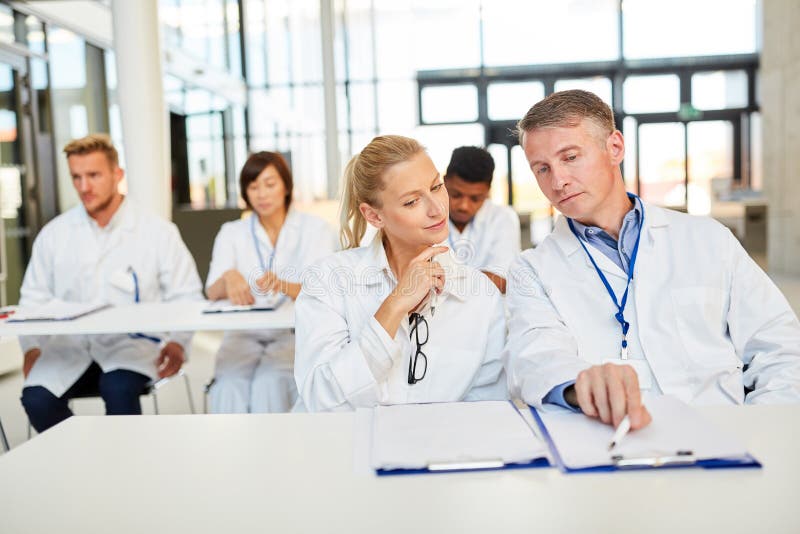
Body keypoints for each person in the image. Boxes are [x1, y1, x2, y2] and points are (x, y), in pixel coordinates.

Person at [506, 89, 800, 432]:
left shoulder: (707, 239)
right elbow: (535, 357)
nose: (558, 181)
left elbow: (780, 348)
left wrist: (760, 429)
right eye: (542, 168)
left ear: (615, 148)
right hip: (611, 443)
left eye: (570, 157)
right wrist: (579, 386)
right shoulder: (532, 269)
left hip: (726, 437)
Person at [294, 135, 508, 411]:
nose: (438, 209)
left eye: (436, 187)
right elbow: (321, 399)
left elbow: (489, 409)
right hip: (352, 438)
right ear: (374, 216)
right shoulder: (328, 280)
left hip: (443, 439)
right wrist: (394, 306)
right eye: (412, 201)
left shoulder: (482, 294)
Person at [19, 134, 203, 433]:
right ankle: (80, 456)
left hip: (132, 347)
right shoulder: (54, 234)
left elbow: (187, 295)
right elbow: (32, 299)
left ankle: (123, 461)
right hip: (69, 348)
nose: (84, 187)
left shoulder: (157, 232)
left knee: (118, 389)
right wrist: (31, 348)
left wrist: (178, 343)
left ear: (118, 175)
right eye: (76, 177)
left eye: (93, 175)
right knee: (36, 399)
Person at [205, 151, 337, 413]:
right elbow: (212, 292)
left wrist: (284, 285)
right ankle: (230, 441)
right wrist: (229, 276)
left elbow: (325, 291)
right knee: (228, 386)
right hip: (243, 334)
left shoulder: (316, 230)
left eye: (269, 184)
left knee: (270, 383)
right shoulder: (232, 232)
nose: (262, 194)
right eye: (253, 187)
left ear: (286, 186)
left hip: (293, 334)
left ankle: (271, 442)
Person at [445, 146, 521, 293]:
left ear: (488, 191)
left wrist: (443, 282)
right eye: (456, 195)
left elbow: (501, 280)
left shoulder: (502, 218)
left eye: (475, 198)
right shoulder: (423, 217)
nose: (464, 206)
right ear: (445, 182)